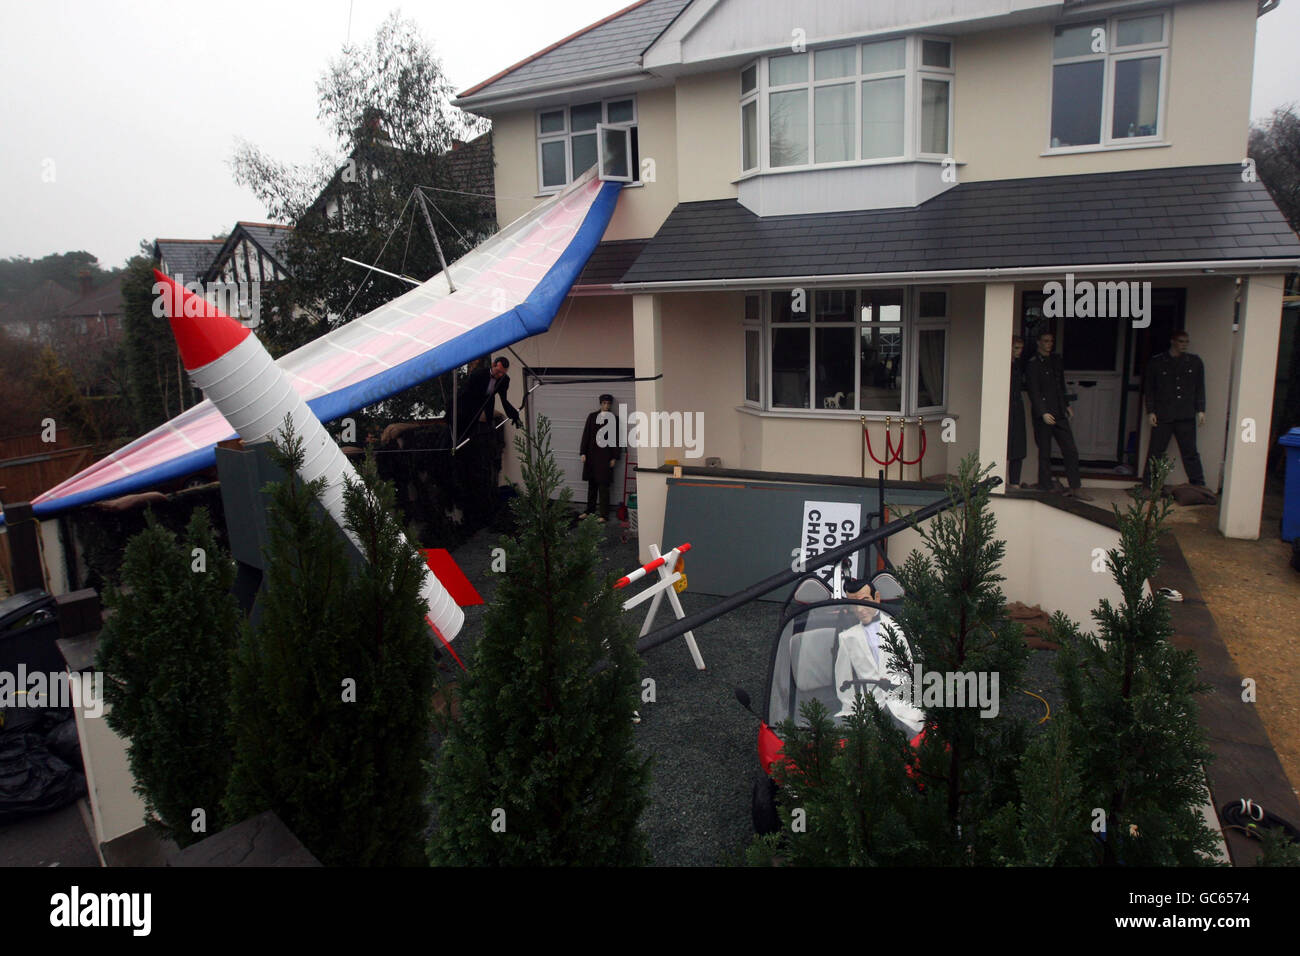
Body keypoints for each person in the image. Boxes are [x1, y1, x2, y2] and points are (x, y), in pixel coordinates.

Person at [832, 581, 925, 737]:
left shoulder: (901, 627)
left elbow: (917, 666)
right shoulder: (847, 637)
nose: (860, 610)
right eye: (854, 604)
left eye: (865, 601)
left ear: (877, 598)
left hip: (904, 706)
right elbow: (843, 678)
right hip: (870, 708)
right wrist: (851, 710)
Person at [1025, 330, 1092, 500]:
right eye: (1046, 341)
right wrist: (1043, 412)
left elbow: (1059, 385)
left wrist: (1066, 405)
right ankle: (1045, 486)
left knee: (1070, 450)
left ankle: (1075, 486)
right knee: (1045, 452)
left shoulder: (1055, 360)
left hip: (1059, 411)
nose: (1049, 344)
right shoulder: (1033, 364)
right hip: (1044, 414)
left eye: (1051, 341)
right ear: (1039, 342)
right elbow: (1034, 390)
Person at [1142, 330, 1206, 488]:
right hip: (1164, 413)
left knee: (1190, 452)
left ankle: (1198, 486)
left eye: (1186, 342)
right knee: (1156, 452)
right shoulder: (1157, 362)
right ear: (1173, 341)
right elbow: (1150, 388)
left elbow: (1199, 387)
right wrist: (1150, 411)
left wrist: (1201, 409)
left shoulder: (1194, 362)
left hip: (1185, 414)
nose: (1184, 345)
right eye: (1181, 341)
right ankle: (1150, 485)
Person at [455, 355, 521, 439]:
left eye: (503, 373)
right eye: (498, 371)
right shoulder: (478, 374)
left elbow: (504, 400)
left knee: (489, 427)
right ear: (493, 365)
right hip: (472, 399)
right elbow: (466, 393)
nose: (500, 375)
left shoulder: (504, 380)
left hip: (489, 401)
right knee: (467, 424)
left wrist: (514, 415)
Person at [579, 393, 621, 521]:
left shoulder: (614, 419)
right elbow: (586, 434)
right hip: (591, 455)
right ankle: (589, 511)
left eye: (608, 404)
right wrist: (583, 453)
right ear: (600, 403)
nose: (606, 405)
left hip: (605, 456)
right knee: (592, 486)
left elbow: (616, 438)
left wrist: (614, 457)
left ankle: (603, 515)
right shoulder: (592, 417)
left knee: (603, 486)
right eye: (604, 403)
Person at [1007, 335, 1028, 488]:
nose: (1019, 352)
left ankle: (1015, 482)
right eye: (1016, 348)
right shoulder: (1004, 366)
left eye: (1021, 348)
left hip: (1017, 407)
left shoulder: (1018, 366)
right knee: (1006, 445)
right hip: (1006, 408)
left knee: (1018, 447)